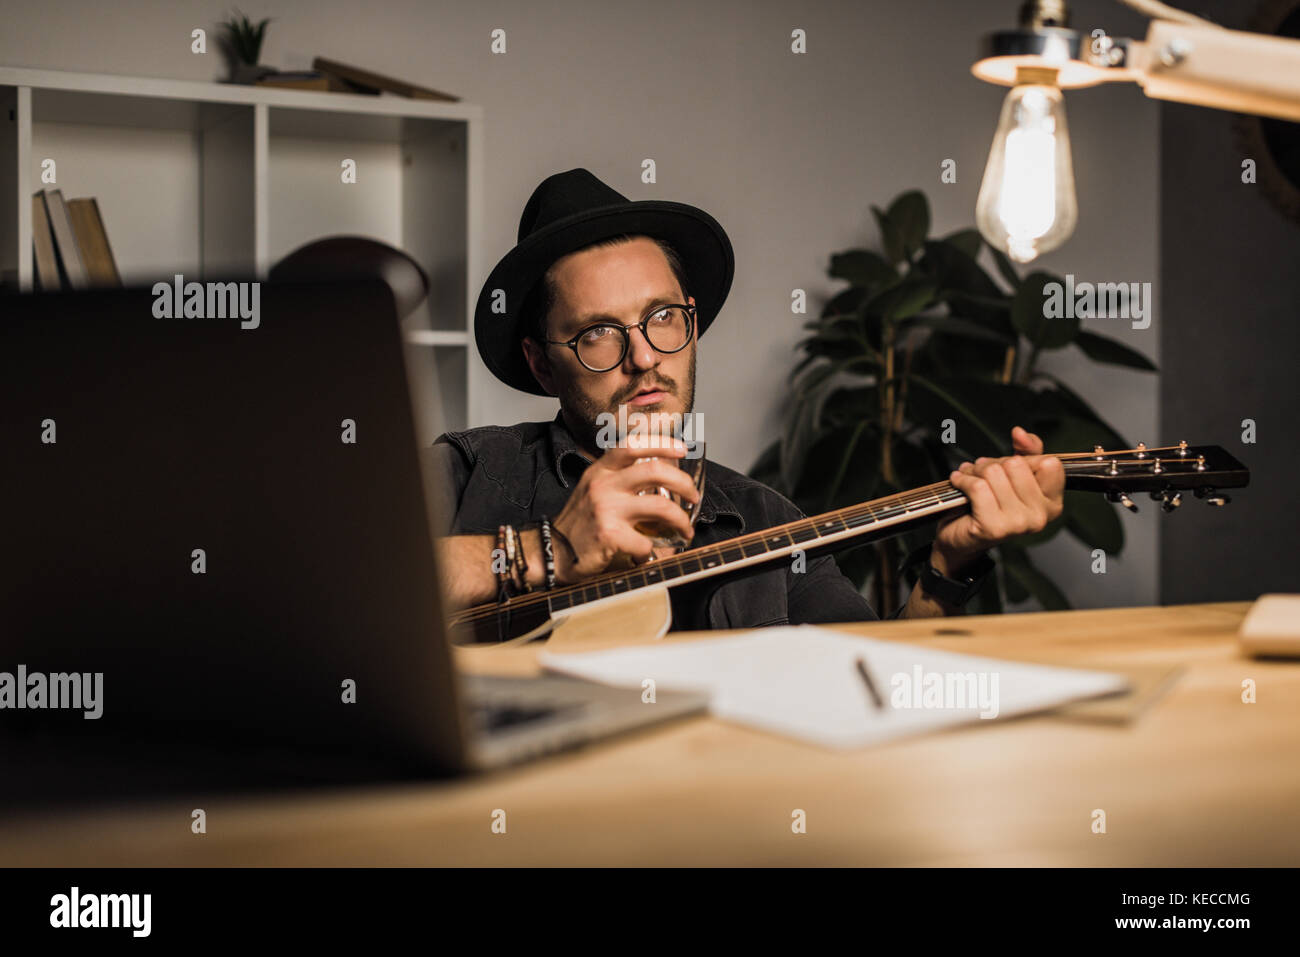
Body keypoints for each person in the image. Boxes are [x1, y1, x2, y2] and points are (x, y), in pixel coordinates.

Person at [426, 168, 1064, 630]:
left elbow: (866, 678)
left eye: (663, 318)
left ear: (692, 324)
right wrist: (552, 551)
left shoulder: (769, 520)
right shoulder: (467, 473)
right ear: (542, 363)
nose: (645, 357)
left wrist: (947, 568)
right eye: (597, 334)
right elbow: (337, 590)